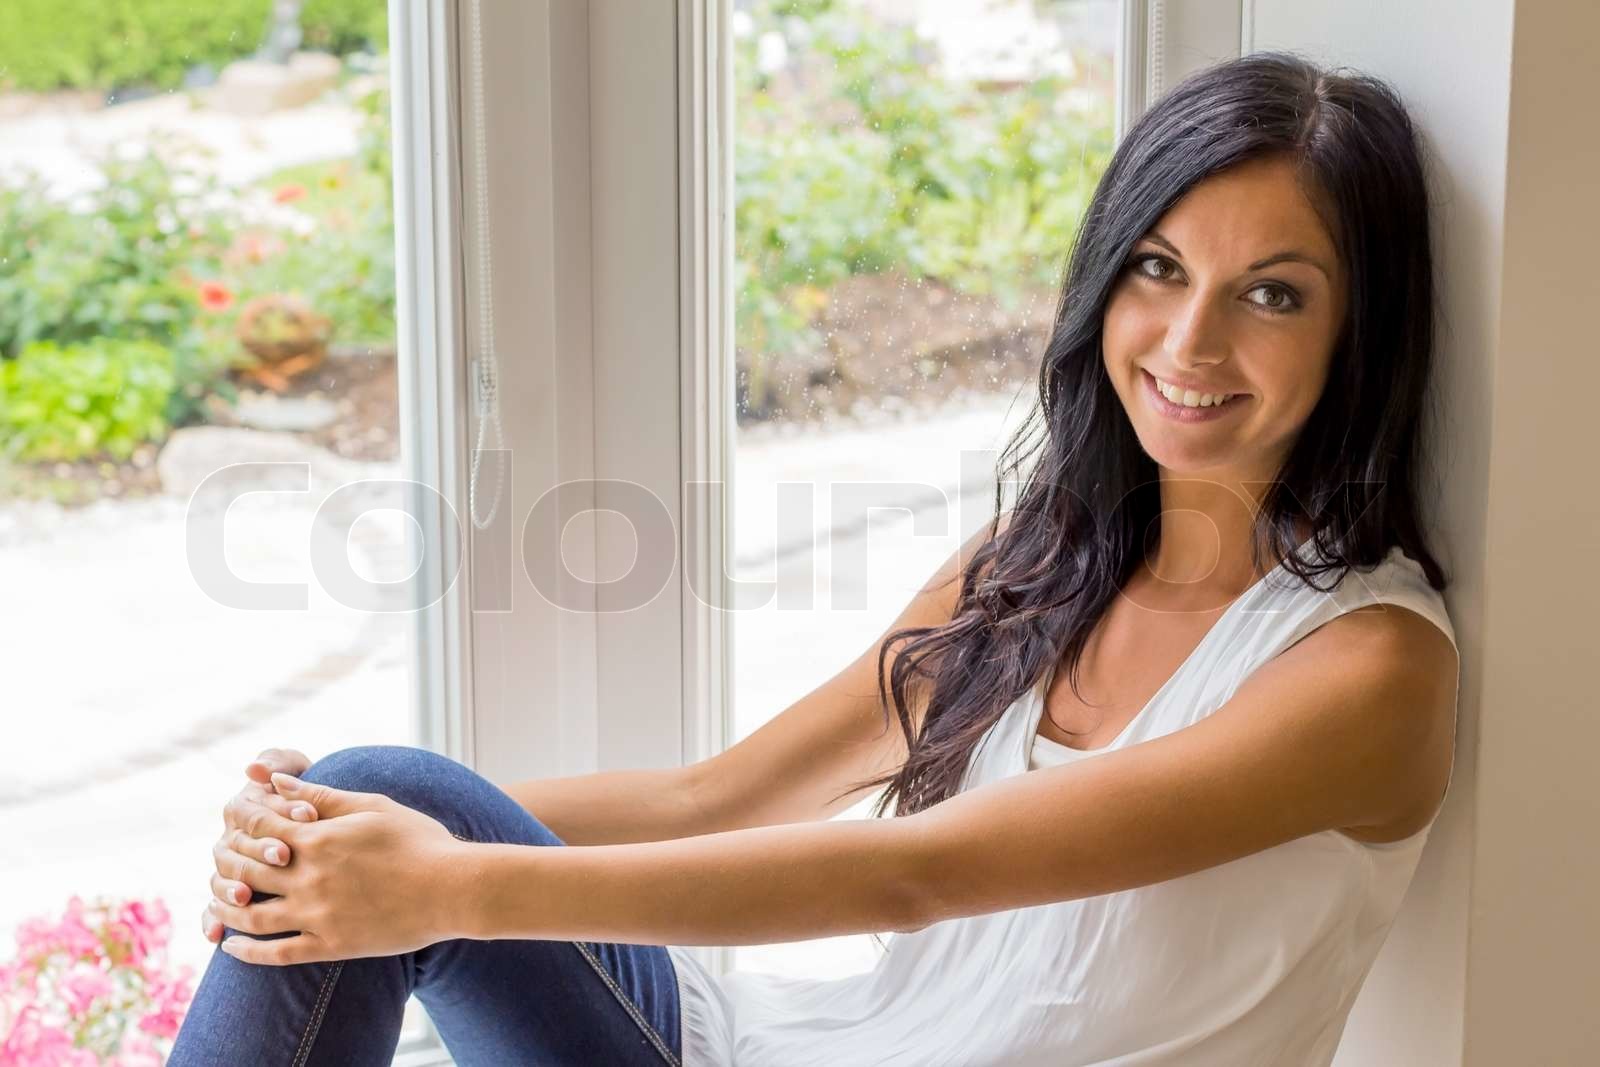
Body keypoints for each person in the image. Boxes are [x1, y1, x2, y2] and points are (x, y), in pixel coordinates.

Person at [170, 50, 1461, 1066]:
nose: (1189, 342)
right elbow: (712, 802)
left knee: (411, 837)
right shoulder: (1042, 565)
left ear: (1362, 334)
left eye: (1273, 295)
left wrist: (443, 888)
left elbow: (912, 876)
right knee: (377, 787)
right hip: (781, 1047)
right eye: (1158, 270)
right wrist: (359, 843)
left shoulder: (1368, 672)